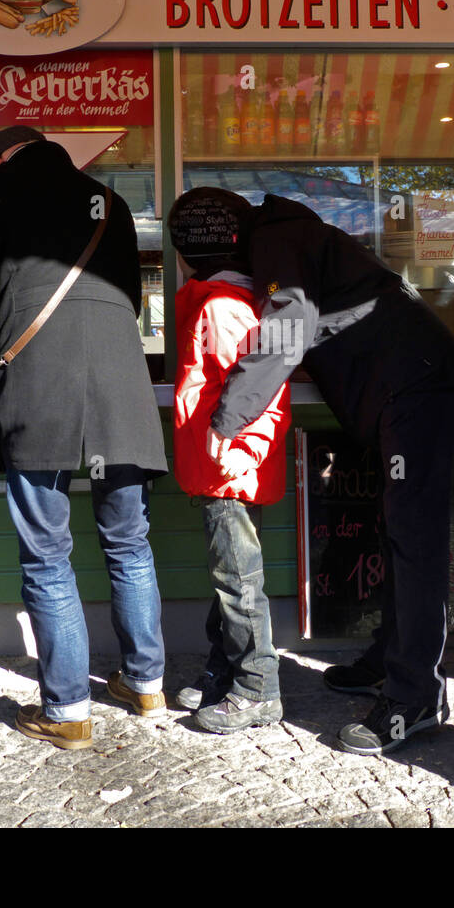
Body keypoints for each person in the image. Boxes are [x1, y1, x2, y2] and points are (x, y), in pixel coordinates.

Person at [195, 186, 454, 755]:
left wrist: (229, 416)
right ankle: (390, 658)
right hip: (404, 383)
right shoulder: (293, 232)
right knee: (398, 532)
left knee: (414, 541)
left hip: (411, 385)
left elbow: (290, 320)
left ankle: (415, 696)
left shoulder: (273, 236)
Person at [0, 126, 168, 750]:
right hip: (125, 392)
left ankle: (68, 711)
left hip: (39, 391)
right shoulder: (110, 203)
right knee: (129, 541)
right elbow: (134, 301)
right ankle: (146, 683)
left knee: (46, 553)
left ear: (0, 158)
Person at [168, 189, 290, 733]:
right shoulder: (224, 300)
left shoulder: (220, 306)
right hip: (226, 466)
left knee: (238, 582)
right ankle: (224, 672)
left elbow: (261, 392)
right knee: (232, 581)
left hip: (228, 470)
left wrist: (240, 454)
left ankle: (257, 688)